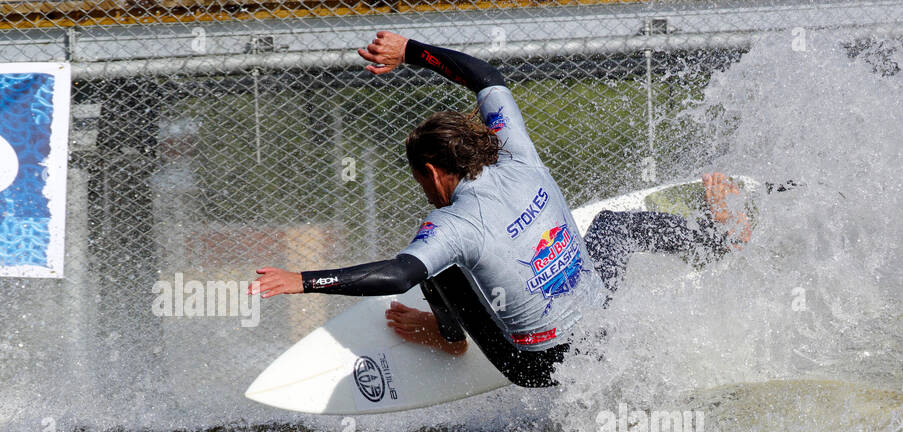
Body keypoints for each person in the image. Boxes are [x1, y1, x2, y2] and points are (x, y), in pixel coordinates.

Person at [255, 31, 748, 387]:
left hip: (543, 365)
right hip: (604, 323)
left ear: (430, 172)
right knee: (614, 227)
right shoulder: (513, 149)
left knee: (439, 269)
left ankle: (449, 337)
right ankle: (712, 240)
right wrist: (410, 51)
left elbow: (399, 275)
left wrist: (302, 280)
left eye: (418, 179)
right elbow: (486, 76)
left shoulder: (452, 224)